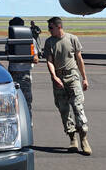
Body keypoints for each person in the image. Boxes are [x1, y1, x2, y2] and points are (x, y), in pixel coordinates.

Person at [42, 16, 92, 155]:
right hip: (58, 78)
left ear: (59, 27)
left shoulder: (72, 39)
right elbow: (49, 61)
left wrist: (84, 78)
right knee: (64, 109)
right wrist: (54, 77)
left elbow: (79, 59)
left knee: (78, 107)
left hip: (73, 77)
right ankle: (72, 139)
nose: (49, 30)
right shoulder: (49, 42)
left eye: (50, 27)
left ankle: (84, 139)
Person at [6, 16, 37, 113]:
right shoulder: (9, 40)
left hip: (24, 74)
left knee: (26, 103)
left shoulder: (30, 40)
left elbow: (35, 58)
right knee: (12, 103)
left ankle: (29, 125)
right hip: (13, 73)